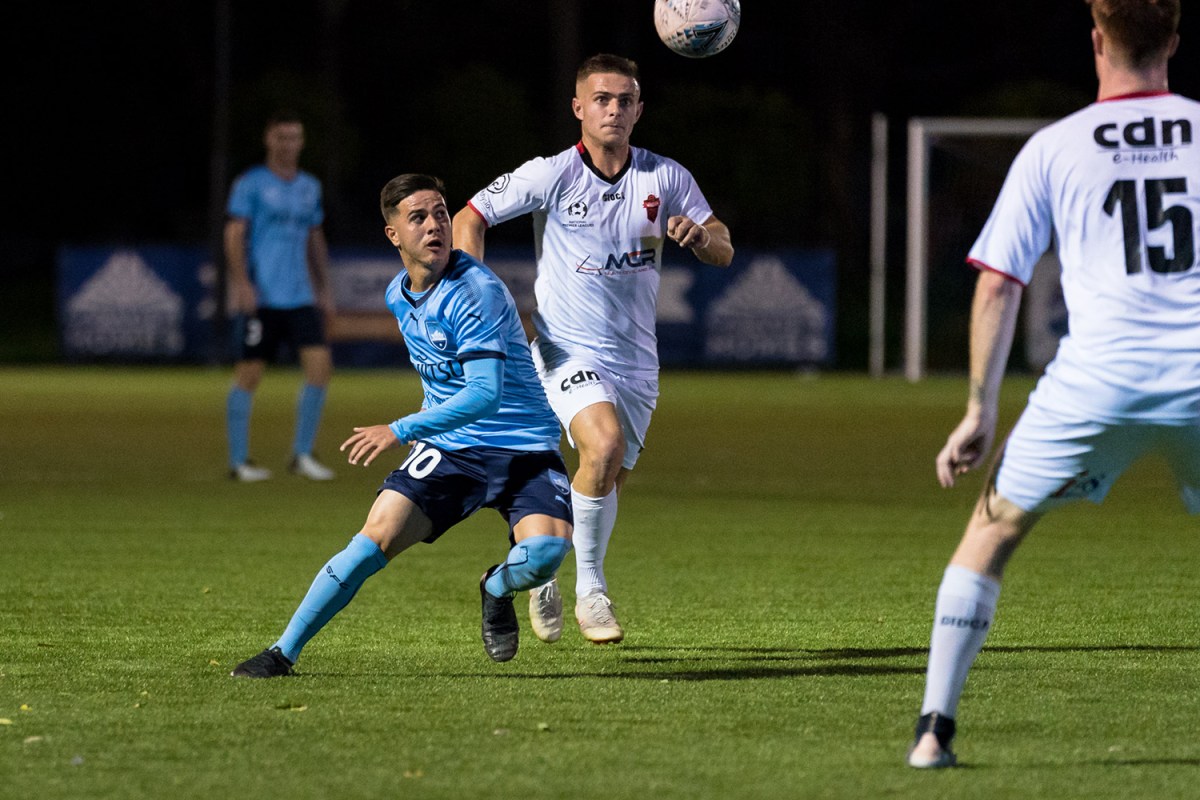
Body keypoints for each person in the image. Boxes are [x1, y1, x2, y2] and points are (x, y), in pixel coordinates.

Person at [908, 0, 1200, 768]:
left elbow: (999, 283)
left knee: (991, 532)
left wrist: (979, 408)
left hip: (1096, 378)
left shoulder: (1054, 148)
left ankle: (934, 731)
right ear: (1173, 39)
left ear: (1097, 39)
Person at [231, 173, 574, 677]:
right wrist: (424, 433)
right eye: (419, 217)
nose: (436, 225)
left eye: (440, 213)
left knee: (544, 554)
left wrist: (400, 429)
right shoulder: (399, 294)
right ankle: (282, 653)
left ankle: (495, 587)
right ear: (393, 234)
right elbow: (442, 381)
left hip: (522, 446)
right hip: (452, 449)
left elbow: (485, 393)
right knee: (372, 540)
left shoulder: (473, 291)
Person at [453, 53, 734, 645]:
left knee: (601, 480)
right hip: (565, 350)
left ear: (638, 109)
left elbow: (724, 249)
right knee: (601, 444)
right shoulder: (553, 174)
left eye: (625, 99)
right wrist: (477, 305)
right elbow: (469, 216)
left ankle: (538, 570)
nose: (614, 109)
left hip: (636, 362)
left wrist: (701, 237)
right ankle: (592, 591)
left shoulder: (666, 177)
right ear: (578, 108)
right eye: (602, 99)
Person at [224, 109, 336, 482]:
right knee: (249, 373)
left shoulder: (309, 186)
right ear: (269, 139)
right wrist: (242, 283)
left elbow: (314, 236)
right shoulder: (251, 183)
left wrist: (323, 287)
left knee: (320, 369)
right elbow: (235, 233)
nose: (289, 144)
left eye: (295, 137)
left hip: (301, 294)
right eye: (282, 137)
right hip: (265, 296)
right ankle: (240, 462)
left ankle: (301, 454)